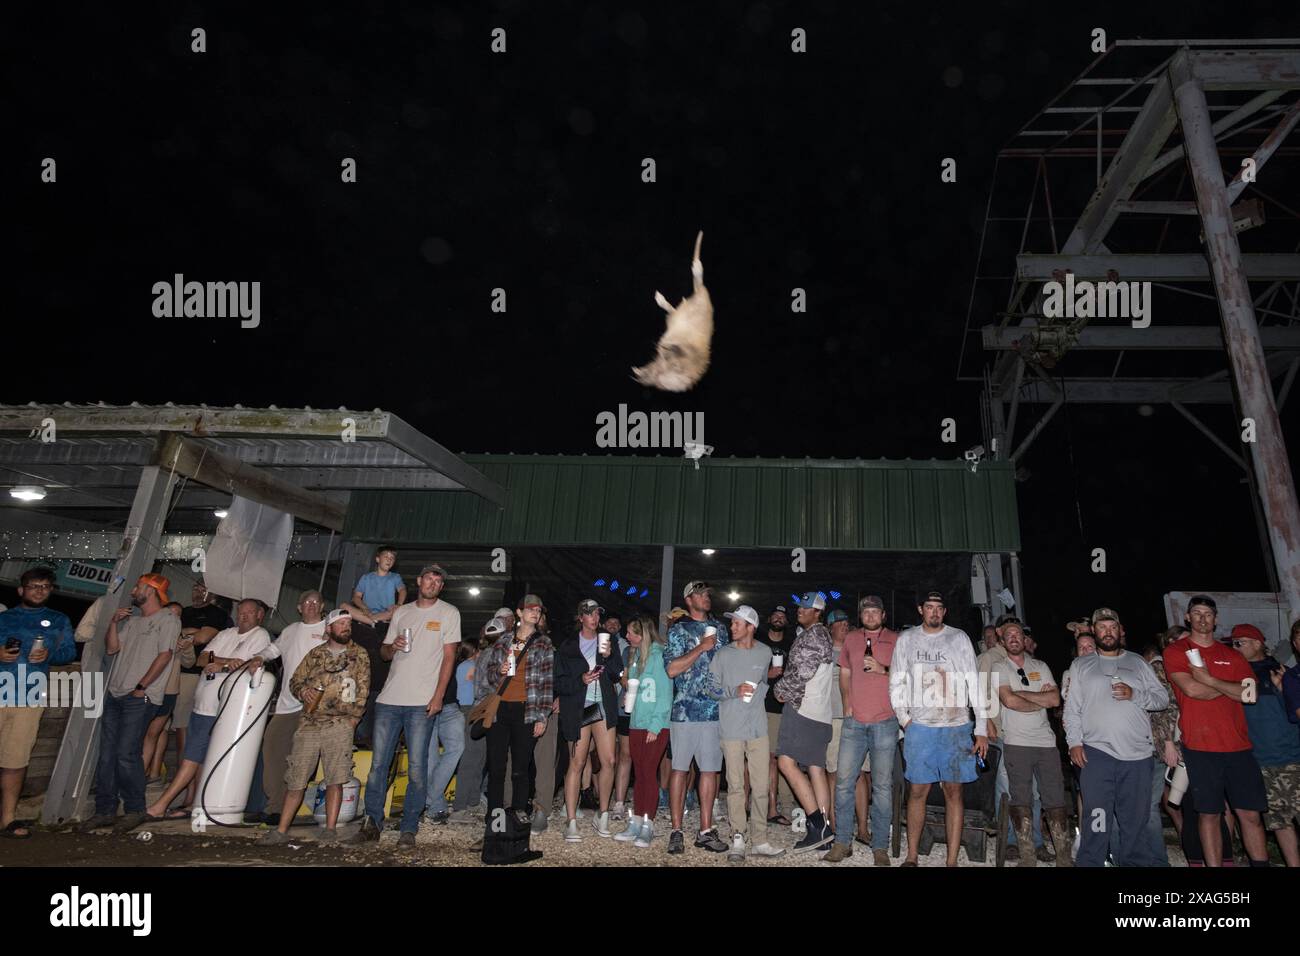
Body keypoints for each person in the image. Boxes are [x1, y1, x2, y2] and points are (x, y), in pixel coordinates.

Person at [132, 597, 274, 829]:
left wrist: (220, 663)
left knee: (192, 757)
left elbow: (249, 664)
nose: (244, 615)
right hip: (202, 704)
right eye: (241, 611)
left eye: (250, 612)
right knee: (195, 757)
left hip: (223, 708)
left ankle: (160, 805)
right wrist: (226, 661)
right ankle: (192, 803)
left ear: (260, 615)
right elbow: (201, 659)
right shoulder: (226, 633)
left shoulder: (260, 636)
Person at [1163, 595, 1271, 867]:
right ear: (1187, 617)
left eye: (1208, 614)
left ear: (1216, 619)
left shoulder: (1232, 655)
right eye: (1197, 613)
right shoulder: (1176, 651)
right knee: (1209, 814)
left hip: (1238, 746)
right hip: (1201, 746)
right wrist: (1231, 688)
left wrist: (1209, 679)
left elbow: (1251, 694)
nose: (1202, 618)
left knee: (1250, 815)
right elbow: (1191, 689)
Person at [358, 564, 460, 846]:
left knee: (417, 767)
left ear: (441, 587)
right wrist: (393, 646)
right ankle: (372, 822)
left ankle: (409, 827)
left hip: (421, 703)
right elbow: (384, 653)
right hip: (389, 700)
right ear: (419, 581)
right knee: (378, 765)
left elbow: (449, 657)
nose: (432, 584)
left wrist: (438, 696)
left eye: (438, 581)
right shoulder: (401, 612)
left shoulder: (449, 613)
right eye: (428, 578)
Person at [889, 590, 988, 867]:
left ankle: (951, 860)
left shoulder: (958, 638)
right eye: (929, 607)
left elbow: (974, 682)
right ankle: (911, 856)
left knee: (954, 792)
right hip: (920, 727)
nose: (934, 612)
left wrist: (980, 727)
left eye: (939, 608)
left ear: (944, 611)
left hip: (956, 726)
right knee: (917, 791)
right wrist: (905, 720)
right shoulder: (907, 639)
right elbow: (896, 681)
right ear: (921, 609)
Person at [1064, 607, 1168, 866]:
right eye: (1102, 627)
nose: (1107, 632)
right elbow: (1072, 708)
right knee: (1097, 816)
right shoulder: (1081, 665)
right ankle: (1091, 862)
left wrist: (1135, 694)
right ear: (1094, 631)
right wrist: (1074, 742)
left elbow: (1162, 699)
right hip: (1097, 752)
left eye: (1112, 627)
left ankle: (1135, 863)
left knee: (1135, 820)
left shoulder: (1138, 662)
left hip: (1137, 755)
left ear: (1120, 630)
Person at [78, 575, 181, 832]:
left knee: (127, 752)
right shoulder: (132, 621)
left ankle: (135, 809)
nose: (133, 591)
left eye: (137, 586)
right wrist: (114, 623)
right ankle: (105, 810)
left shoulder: (168, 619)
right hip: (116, 693)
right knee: (108, 754)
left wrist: (142, 686)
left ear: (151, 590)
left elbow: (165, 655)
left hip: (140, 696)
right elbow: (112, 649)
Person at [259, 609, 370, 844]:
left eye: (348, 623)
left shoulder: (359, 654)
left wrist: (353, 719)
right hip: (310, 723)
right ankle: (281, 831)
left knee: (336, 778)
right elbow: (295, 680)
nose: (346, 627)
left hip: (339, 723)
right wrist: (302, 691)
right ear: (329, 628)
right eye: (340, 623)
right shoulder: (315, 654)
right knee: (297, 777)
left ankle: (330, 830)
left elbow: (363, 688)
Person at [0, 568, 76, 839]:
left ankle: (7, 819)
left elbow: (69, 653)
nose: (39, 590)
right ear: (21, 590)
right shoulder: (4, 618)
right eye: (34, 586)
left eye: (45, 586)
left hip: (28, 699)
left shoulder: (59, 620)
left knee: (15, 759)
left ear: (50, 590)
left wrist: (49, 654)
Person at [825, 594, 899, 865]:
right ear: (861, 615)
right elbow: (845, 674)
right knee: (844, 783)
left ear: (883, 615)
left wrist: (883, 669)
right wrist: (847, 702)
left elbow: (907, 675)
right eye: (866, 612)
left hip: (885, 721)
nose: (870, 615)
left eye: (875, 611)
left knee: (882, 787)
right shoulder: (852, 639)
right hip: (854, 722)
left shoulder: (896, 640)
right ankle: (842, 842)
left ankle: (880, 847)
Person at [707, 605, 784, 861]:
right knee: (736, 786)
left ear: (751, 627)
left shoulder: (765, 652)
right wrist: (734, 691)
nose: (732, 627)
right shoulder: (723, 654)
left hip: (758, 727)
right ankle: (738, 836)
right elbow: (710, 689)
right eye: (732, 623)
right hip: (731, 728)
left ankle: (760, 839)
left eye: (737, 623)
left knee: (761, 786)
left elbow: (763, 681)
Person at [994, 619, 1072, 866]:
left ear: (1025, 639)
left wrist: (1024, 696)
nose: (1014, 638)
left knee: (1055, 798)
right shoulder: (999, 667)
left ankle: (1064, 857)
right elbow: (1009, 701)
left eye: (1017, 634)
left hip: (1046, 742)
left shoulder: (1040, 665)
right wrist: (1040, 699)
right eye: (1009, 635)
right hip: (1016, 741)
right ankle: (1027, 856)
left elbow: (1055, 700)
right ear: (1002, 641)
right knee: (1020, 798)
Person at [663, 581, 730, 854]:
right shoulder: (678, 630)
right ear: (689, 600)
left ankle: (705, 830)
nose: (705, 597)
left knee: (710, 770)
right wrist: (701, 647)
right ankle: (676, 830)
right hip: (685, 712)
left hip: (714, 711)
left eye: (707, 594)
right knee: (679, 769)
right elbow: (671, 670)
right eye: (700, 594)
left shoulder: (721, 630)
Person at [480, 594, 554, 830]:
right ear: (519, 613)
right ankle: (495, 818)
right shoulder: (503, 641)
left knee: (521, 768)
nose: (535, 613)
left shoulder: (544, 643)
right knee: (497, 766)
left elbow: (546, 683)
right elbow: (489, 676)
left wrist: (542, 717)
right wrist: (499, 671)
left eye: (538, 610)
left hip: (527, 709)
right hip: (500, 708)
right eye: (530, 609)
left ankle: (518, 815)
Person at [1231, 623, 1300, 866]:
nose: (1235, 648)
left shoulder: (1282, 672)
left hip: (1291, 758)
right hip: (1259, 761)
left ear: (1257, 643)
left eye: (1240, 643)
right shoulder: (1234, 676)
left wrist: (1282, 691)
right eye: (1233, 644)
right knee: (1279, 822)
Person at [557, 599, 625, 841]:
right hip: (581, 706)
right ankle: (571, 820)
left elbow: (617, 674)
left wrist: (609, 656)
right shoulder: (568, 646)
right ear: (581, 618)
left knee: (609, 760)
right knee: (577, 762)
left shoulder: (609, 641)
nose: (594, 617)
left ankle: (603, 814)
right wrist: (581, 680)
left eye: (597, 613)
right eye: (589, 613)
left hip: (602, 705)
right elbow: (559, 682)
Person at [775, 592, 836, 853]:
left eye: (807, 607)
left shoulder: (813, 636)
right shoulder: (822, 635)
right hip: (820, 713)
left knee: (785, 762)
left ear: (818, 612)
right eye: (800, 606)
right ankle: (825, 831)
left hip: (803, 709)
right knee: (816, 768)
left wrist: (779, 690)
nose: (800, 610)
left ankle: (816, 824)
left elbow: (802, 673)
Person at [260, 590, 327, 826]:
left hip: (314, 707)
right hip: (286, 705)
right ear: (299, 607)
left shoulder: (328, 629)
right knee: (272, 749)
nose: (311, 605)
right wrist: (258, 658)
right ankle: (274, 806)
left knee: (302, 759)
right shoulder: (290, 630)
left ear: (322, 606)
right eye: (307, 602)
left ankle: (291, 806)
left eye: (316, 602)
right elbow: (272, 650)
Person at [171, 583, 231, 811]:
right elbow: (173, 637)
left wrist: (187, 634)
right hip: (173, 671)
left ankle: (190, 795)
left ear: (213, 594)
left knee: (187, 737)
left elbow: (202, 639)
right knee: (167, 731)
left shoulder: (217, 615)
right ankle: (174, 784)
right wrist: (190, 633)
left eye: (203, 589)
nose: (198, 592)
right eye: (195, 588)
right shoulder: (185, 611)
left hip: (196, 677)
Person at [617, 615, 673, 847]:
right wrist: (629, 700)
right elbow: (638, 689)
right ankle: (637, 820)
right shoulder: (636, 656)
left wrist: (656, 725)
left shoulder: (659, 656)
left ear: (642, 635)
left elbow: (665, 695)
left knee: (649, 773)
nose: (626, 636)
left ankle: (648, 824)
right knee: (640, 773)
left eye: (630, 632)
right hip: (636, 723)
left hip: (654, 725)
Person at [756, 604, 796, 824]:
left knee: (781, 758)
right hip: (761, 707)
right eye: (775, 615)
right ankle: (764, 807)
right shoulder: (759, 642)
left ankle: (781, 808)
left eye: (782, 616)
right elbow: (748, 672)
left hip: (785, 709)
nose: (779, 618)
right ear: (769, 618)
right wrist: (767, 674)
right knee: (763, 758)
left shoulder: (792, 644)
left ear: (787, 621)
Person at [142, 602, 186, 785]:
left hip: (168, 691)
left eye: (177, 615)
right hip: (148, 687)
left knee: (155, 732)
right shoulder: (151, 633)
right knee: (145, 731)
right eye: (170, 613)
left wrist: (185, 647)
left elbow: (190, 662)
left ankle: (148, 774)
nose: (172, 618)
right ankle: (146, 773)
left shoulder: (181, 639)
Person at [447, 630, 486, 823]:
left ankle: (472, 801)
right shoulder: (468, 666)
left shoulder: (464, 665)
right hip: (469, 711)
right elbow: (482, 678)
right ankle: (460, 807)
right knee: (471, 760)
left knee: (478, 758)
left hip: (474, 711)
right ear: (475, 651)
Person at [604, 613, 633, 822]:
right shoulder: (626, 652)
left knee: (630, 755)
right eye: (610, 622)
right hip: (616, 707)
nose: (629, 636)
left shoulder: (625, 647)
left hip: (639, 711)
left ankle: (636, 803)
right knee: (617, 755)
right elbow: (621, 677)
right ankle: (616, 800)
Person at [344, 546, 406, 631]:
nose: (389, 560)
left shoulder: (395, 577)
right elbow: (356, 597)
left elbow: (402, 590)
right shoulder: (366, 578)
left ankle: (371, 621)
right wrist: (365, 608)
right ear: (377, 559)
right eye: (386, 557)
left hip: (386, 614)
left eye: (392, 558)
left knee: (397, 611)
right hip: (367, 612)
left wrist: (399, 605)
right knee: (343, 606)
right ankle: (374, 622)